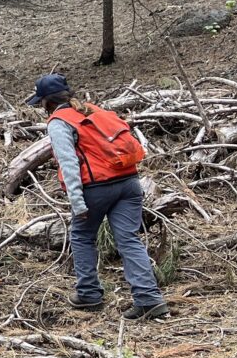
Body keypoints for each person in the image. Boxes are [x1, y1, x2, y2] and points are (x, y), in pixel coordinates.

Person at [27, 73, 168, 321]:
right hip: (129, 182)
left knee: (82, 236)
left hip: (97, 188)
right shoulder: (93, 111)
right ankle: (149, 299)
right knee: (129, 239)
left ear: (46, 103)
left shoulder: (59, 121)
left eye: (40, 103)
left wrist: (77, 202)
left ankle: (89, 294)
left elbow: (69, 164)